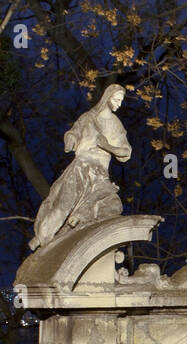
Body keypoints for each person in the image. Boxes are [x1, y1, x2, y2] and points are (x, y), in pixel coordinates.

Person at [29, 84, 131, 251]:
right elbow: (73, 133)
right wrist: (70, 139)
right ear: (107, 97)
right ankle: (43, 238)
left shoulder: (116, 125)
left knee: (113, 206)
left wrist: (108, 147)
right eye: (116, 99)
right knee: (64, 205)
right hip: (81, 168)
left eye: (121, 101)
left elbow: (126, 152)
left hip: (100, 176)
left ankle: (76, 231)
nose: (119, 104)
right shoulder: (89, 117)